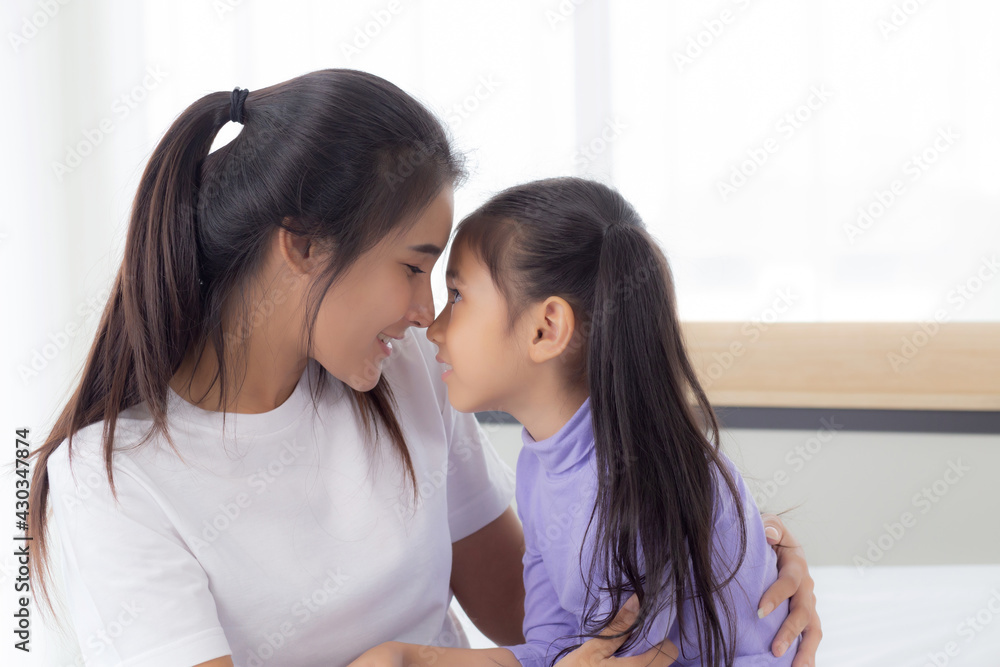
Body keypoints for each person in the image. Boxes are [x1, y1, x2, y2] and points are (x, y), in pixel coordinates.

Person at [28, 69, 820, 667]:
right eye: (414, 267)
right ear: (301, 245)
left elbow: (537, 611)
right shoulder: (110, 484)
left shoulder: (403, 375)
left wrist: (721, 572)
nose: (425, 314)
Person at [346, 178, 804, 667]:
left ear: (546, 329)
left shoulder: (623, 487)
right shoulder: (541, 467)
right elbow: (556, 650)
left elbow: (625, 659)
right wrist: (405, 660)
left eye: (456, 296)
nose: (433, 327)